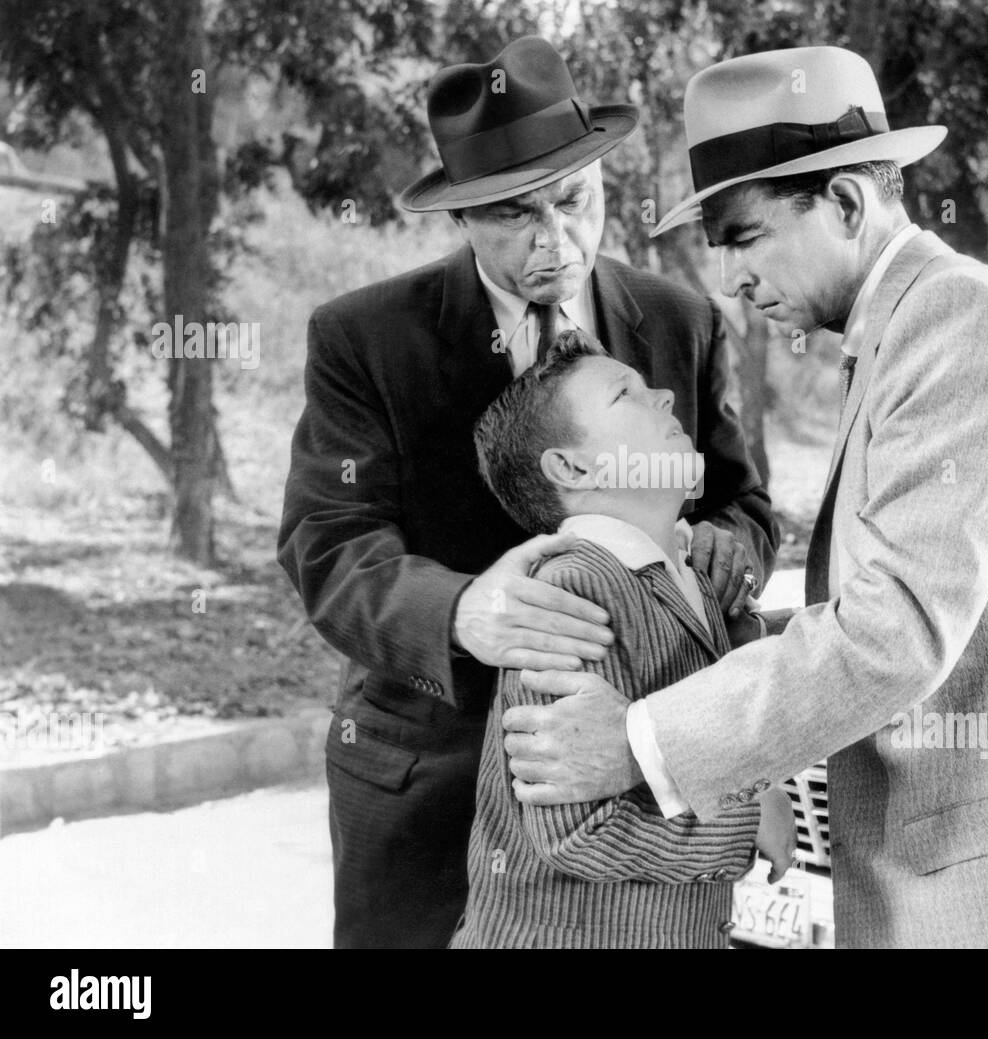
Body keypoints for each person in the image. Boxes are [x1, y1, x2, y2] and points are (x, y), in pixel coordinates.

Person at [499, 46, 988, 948]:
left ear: (847, 203)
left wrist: (641, 740)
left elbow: (893, 626)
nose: (732, 283)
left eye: (746, 239)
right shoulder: (897, 335)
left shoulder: (958, 321)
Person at [276, 36, 777, 948]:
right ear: (463, 217)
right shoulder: (363, 338)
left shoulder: (680, 320)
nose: (558, 240)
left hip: (629, 820)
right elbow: (328, 543)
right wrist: (466, 611)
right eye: (517, 216)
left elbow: (743, 504)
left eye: (574, 202)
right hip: (423, 794)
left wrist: (722, 551)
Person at [449, 330, 795, 948]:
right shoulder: (573, 590)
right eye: (625, 394)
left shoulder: (687, 579)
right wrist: (745, 825)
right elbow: (578, 831)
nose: (663, 395)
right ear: (573, 466)